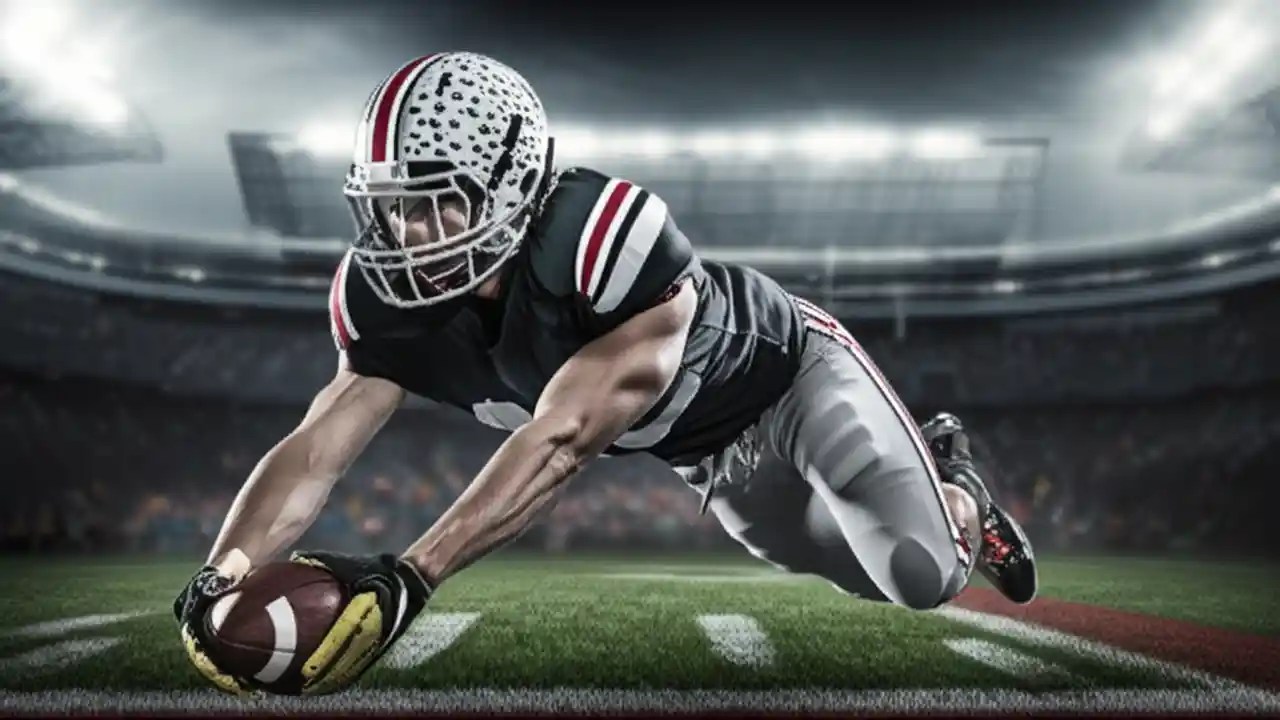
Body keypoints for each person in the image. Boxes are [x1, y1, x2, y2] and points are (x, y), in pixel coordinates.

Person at [173, 52, 1036, 696]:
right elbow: (318, 447)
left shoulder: (597, 240)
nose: (414, 232)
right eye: (395, 205)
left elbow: (562, 440)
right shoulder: (381, 300)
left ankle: (956, 485)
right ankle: (915, 491)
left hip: (792, 379)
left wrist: (412, 575)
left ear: (510, 182)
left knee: (921, 574)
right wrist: (224, 572)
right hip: (705, 458)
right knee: (848, 566)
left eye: (440, 201)